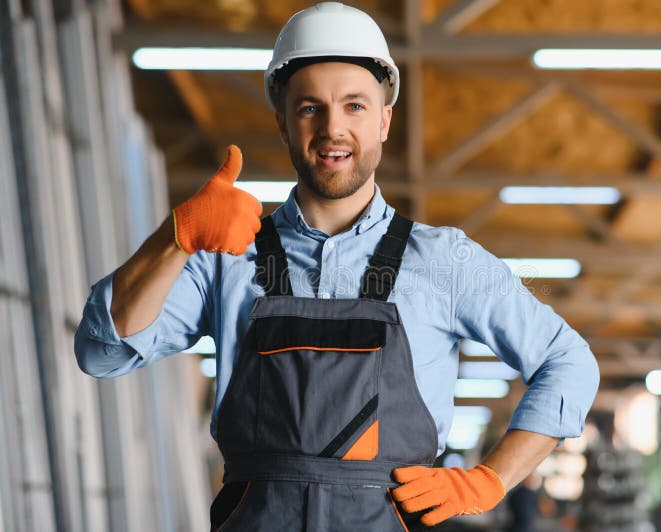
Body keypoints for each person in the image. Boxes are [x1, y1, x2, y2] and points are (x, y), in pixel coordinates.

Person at [74, 2, 599, 530]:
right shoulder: (224, 259)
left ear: (384, 121)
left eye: (354, 106)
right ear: (282, 123)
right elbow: (102, 352)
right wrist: (175, 238)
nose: (333, 129)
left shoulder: (444, 260)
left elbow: (569, 363)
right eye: (310, 108)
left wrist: (489, 480)